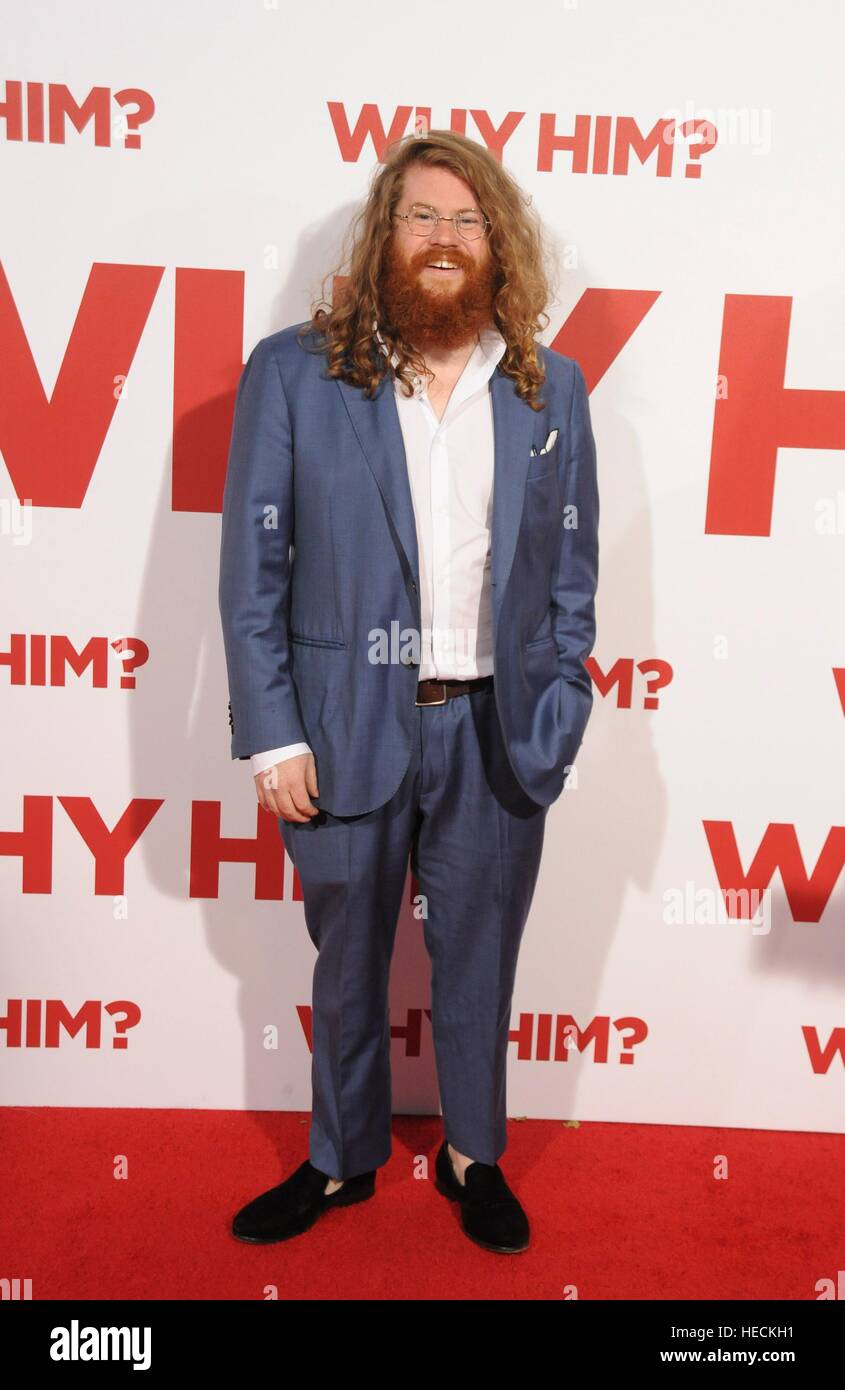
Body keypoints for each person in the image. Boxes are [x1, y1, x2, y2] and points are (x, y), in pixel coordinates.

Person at [218, 129, 599, 1255]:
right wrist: (271, 729)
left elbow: (569, 576)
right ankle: (339, 1162)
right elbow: (253, 568)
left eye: (466, 220)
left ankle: (473, 1152)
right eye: (420, 217)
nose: (443, 239)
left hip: (491, 727)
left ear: (498, 245)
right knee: (346, 963)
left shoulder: (550, 389)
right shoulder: (294, 371)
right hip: (339, 729)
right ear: (385, 235)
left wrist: (557, 703)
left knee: (480, 954)